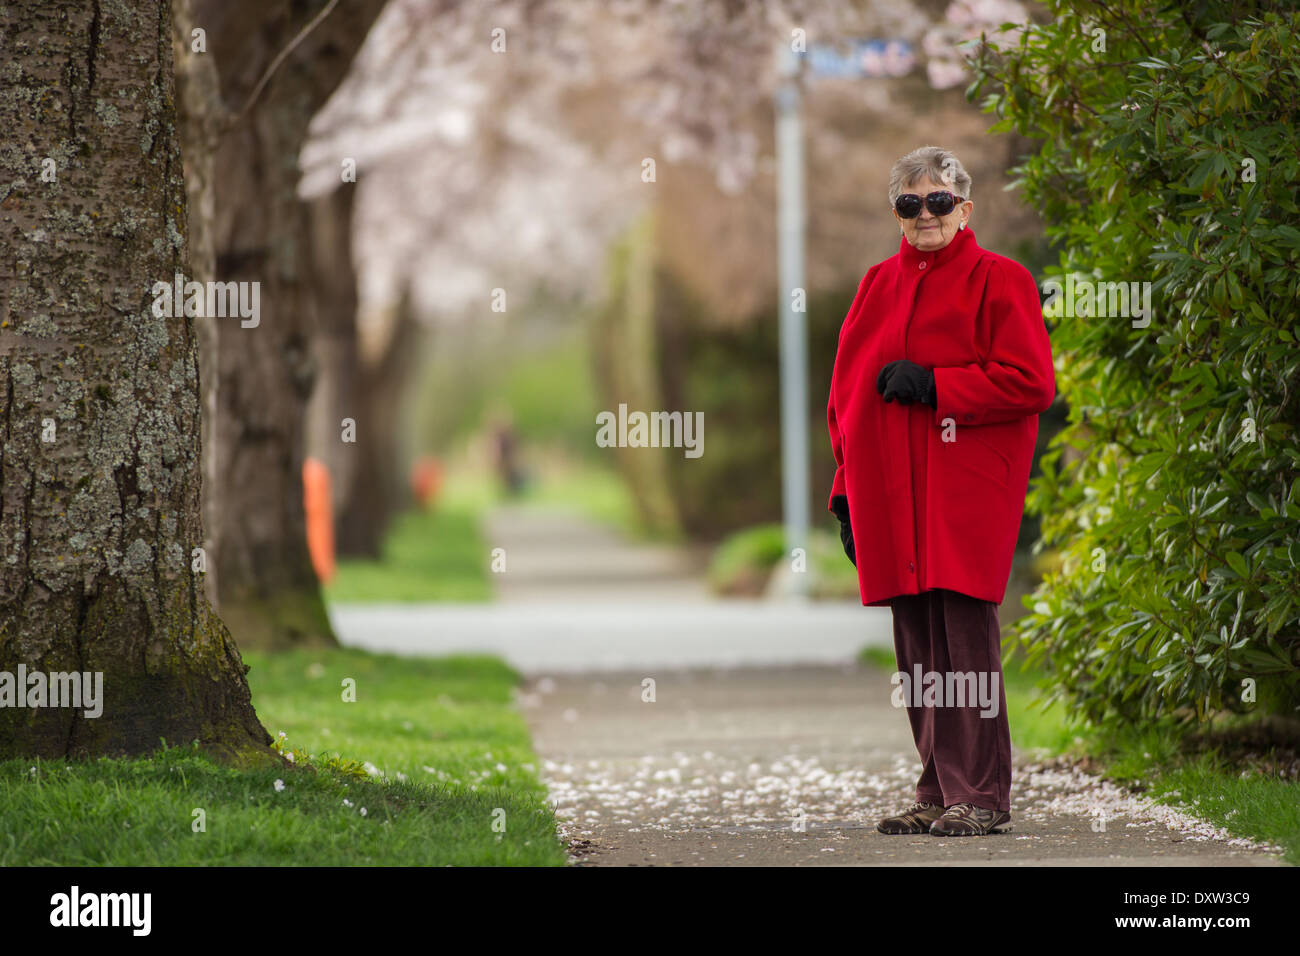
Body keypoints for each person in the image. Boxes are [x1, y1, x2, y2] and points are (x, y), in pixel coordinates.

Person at [826, 146, 1056, 837]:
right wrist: (844, 492)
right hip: (891, 495)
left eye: (938, 200)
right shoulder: (874, 285)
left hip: (963, 493)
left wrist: (938, 385)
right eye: (909, 203)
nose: (925, 213)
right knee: (917, 648)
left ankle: (981, 795)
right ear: (896, 214)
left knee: (964, 640)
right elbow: (846, 400)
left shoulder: (1000, 279)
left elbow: (1030, 382)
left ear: (965, 208)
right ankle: (936, 788)